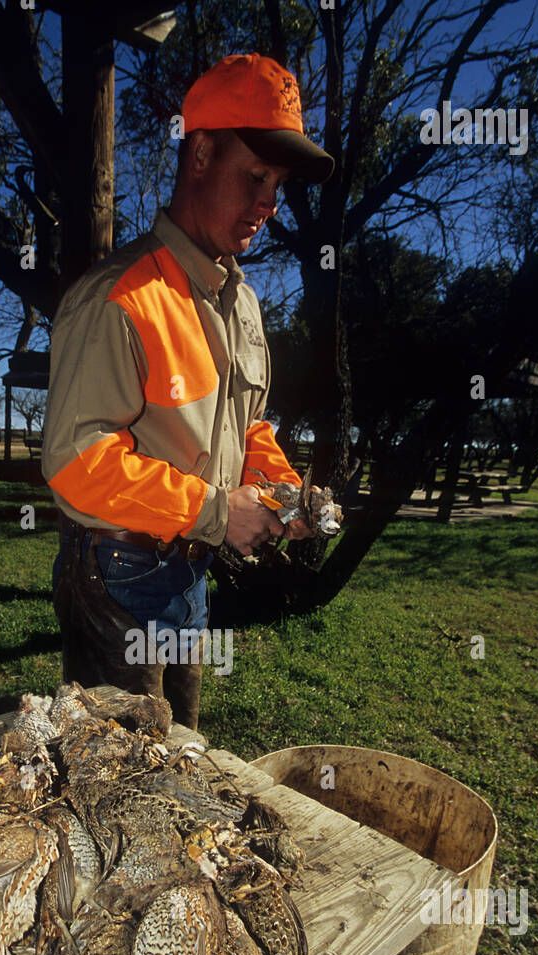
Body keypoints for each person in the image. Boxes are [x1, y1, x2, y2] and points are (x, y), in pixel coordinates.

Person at [42, 52, 334, 729]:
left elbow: (247, 429)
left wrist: (280, 493)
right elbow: (73, 462)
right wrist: (212, 508)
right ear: (199, 154)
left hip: (189, 569)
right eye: (254, 175)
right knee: (118, 777)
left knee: (179, 761)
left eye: (277, 183)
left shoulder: (242, 304)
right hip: (116, 571)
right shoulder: (120, 295)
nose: (267, 201)